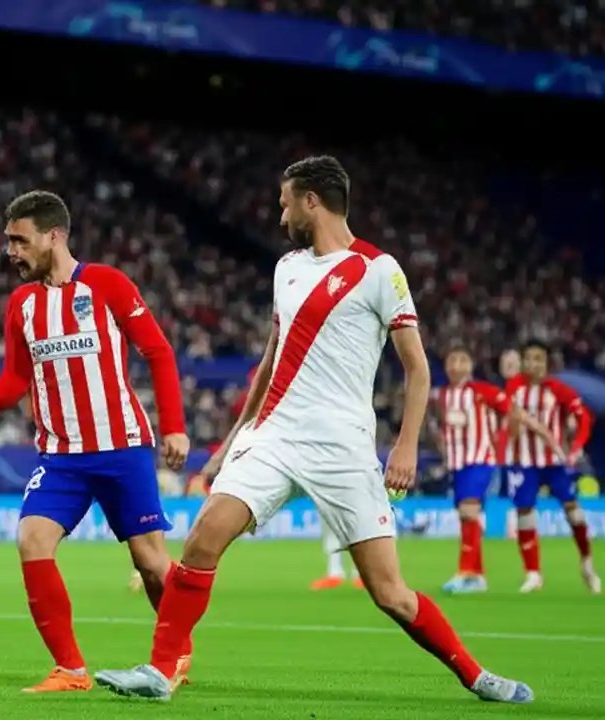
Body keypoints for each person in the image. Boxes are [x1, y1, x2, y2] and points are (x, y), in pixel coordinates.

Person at [93, 156, 532, 704]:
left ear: (311, 202)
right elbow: (271, 361)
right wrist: (231, 442)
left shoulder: (379, 270)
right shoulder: (287, 269)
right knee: (204, 537)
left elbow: (417, 368)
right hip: (274, 436)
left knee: (390, 593)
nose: (279, 217)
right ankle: (160, 673)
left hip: (342, 446)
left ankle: (475, 674)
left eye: (284, 204)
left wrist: (406, 444)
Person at [0, 190, 191, 693]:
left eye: (20, 241)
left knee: (151, 563)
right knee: (31, 539)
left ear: (54, 235)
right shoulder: (21, 304)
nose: (11, 252)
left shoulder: (106, 284)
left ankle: (177, 653)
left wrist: (173, 425)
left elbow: (158, 350)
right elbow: (16, 379)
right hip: (61, 456)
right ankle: (71, 669)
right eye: (8, 243)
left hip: (121, 446)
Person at [436, 346, 558, 594]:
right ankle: (477, 577)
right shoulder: (443, 395)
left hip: (480, 459)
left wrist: (540, 432)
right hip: (457, 464)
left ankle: (465, 571)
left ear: (470, 366)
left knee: (470, 510)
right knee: (465, 515)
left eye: (462, 360)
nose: (456, 365)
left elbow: (513, 411)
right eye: (452, 360)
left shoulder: (483, 391)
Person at [504, 340, 597, 593]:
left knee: (573, 512)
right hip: (524, 463)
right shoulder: (514, 388)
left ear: (547, 363)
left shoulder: (558, 389)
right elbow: (508, 420)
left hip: (554, 463)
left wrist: (576, 447)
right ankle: (533, 574)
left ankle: (587, 562)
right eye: (530, 359)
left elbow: (584, 418)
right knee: (525, 513)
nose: (534, 364)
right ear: (523, 362)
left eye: (539, 359)